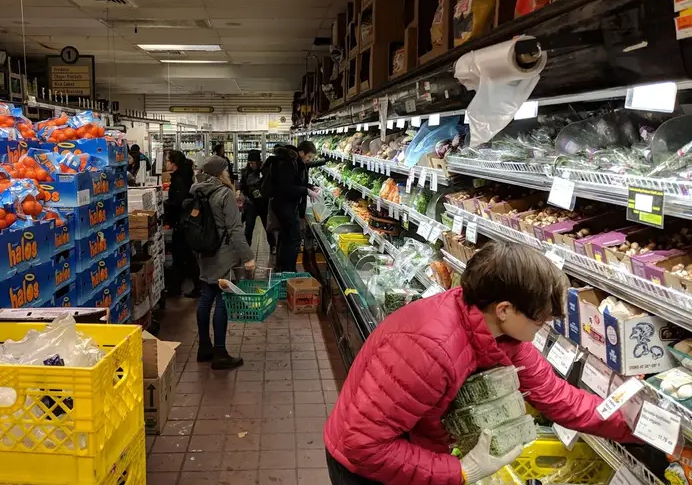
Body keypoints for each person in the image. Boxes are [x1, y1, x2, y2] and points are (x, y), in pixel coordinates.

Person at [323, 242, 635, 485]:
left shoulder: (500, 336)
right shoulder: (427, 350)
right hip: (364, 470)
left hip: (418, 448)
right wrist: (460, 471)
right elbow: (362, 446)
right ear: (504, 309)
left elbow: (556, 396)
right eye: (540, 318)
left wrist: (638, 426)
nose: (544, 326)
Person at [189, 155, 255, 369]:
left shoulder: (198, 190)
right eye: (225, 170)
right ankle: (220, 353)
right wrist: (248, 257)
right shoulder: (224, 193)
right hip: (223, 253)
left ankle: (204, 347)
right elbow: (235, 229)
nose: (228, 173)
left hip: (204, 250)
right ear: (220, 172)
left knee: (206, 296)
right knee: (223, 299)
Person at [267, 141, 325, 272]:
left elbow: (296, 182)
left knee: (286, 236)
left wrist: (310, 187)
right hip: (284, 205)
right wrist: (306, 191)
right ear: (301, 152)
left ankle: (282, 267)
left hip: (287, 204)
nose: (309, 160)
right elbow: (286, 187)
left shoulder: (295, 161)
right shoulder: (288, 163)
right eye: (308, 157)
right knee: (293, 238)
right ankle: (288, 270)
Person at [164, 150, 199, 298]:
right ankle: (178, 287)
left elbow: (179, 202)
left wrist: (166, 204)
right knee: (183, 256)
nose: (166, 163)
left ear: (174, 163)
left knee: (183, 256)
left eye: (167, 161)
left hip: (182, 222)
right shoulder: (184, 175)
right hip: (185, 221)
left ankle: (194, 287)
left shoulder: (179, 179)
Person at [238, 149, 276, 250]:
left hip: (263, 204)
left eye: (253, 163)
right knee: (249, 227)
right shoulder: (246, 172)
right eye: (249, 163)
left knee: (268, 227)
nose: (251, 165)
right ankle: (246, 248)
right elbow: (242, 185)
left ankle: (273, 246)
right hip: (251, 204)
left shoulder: (265, 171)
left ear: (258, 162)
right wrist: (241, 193)